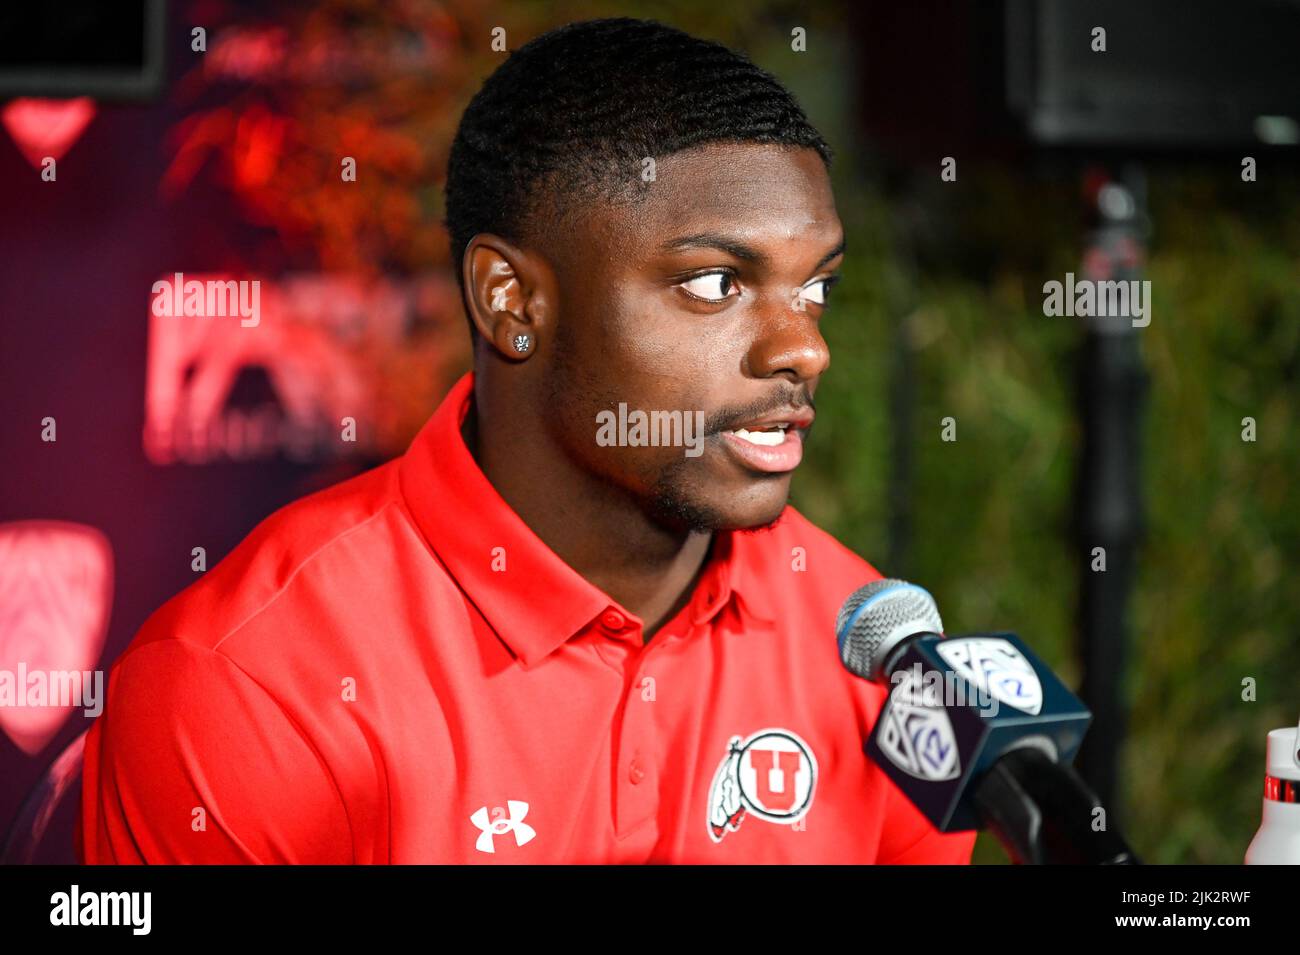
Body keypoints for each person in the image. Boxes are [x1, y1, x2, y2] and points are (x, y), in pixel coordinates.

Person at [79, 17, 977, 864]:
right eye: (714, 282)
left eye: (815, 289)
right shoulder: (246, 685)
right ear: (512, 301)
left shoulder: (871, 648)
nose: (805, 348)